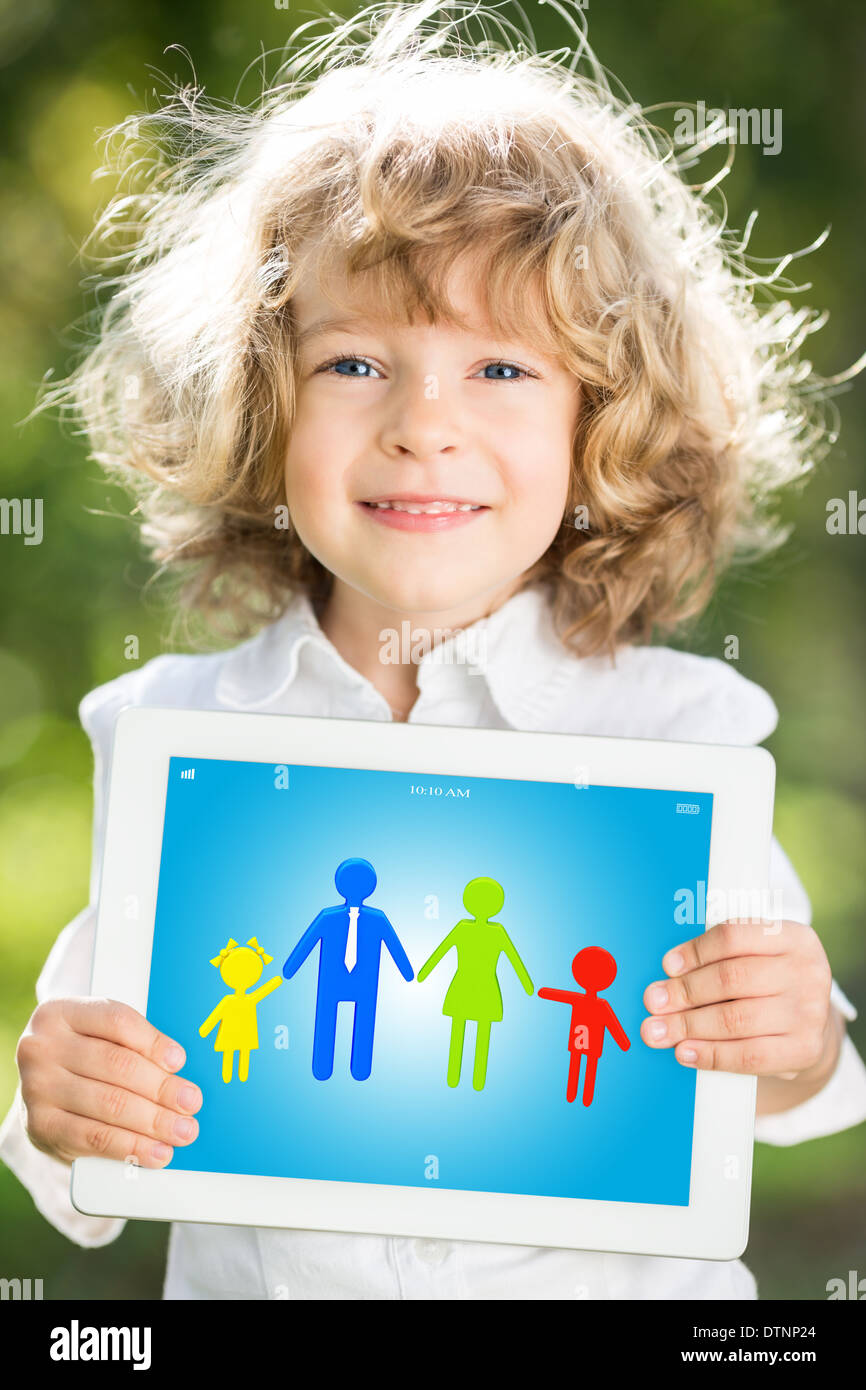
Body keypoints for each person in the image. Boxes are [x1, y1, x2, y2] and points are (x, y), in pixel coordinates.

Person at [4, 0, 866, 1300]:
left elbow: (790, 1082)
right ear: (261, 394)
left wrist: (792, 1041)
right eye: (355, 362)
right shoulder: (169, 733)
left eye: (502, 372)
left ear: (603, 420)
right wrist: (65, 1109)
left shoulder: (684, 737)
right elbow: (86, 1122)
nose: (422, 424)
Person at [282, 858, 414, 1081]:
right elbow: (307, 943)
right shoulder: (328, 917)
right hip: (333, 981)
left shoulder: (377, 919)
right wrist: (290, 968)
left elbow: (395, 947)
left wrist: (407, 972)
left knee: (363, 1022)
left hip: (363, 982)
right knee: (327, 1019)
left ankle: (359, 1069)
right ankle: (323, 1068)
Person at [417, 877, 534, 1090]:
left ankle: (461, 1077)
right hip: (478, 988)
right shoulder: (483, 930)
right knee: (477, 1032)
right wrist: (527, 985)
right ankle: (472, 1079)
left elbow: (440, 953)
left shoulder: (477, 930)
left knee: (465, 1030)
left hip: (472, 987)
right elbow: (515, 962)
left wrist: (424, 972)